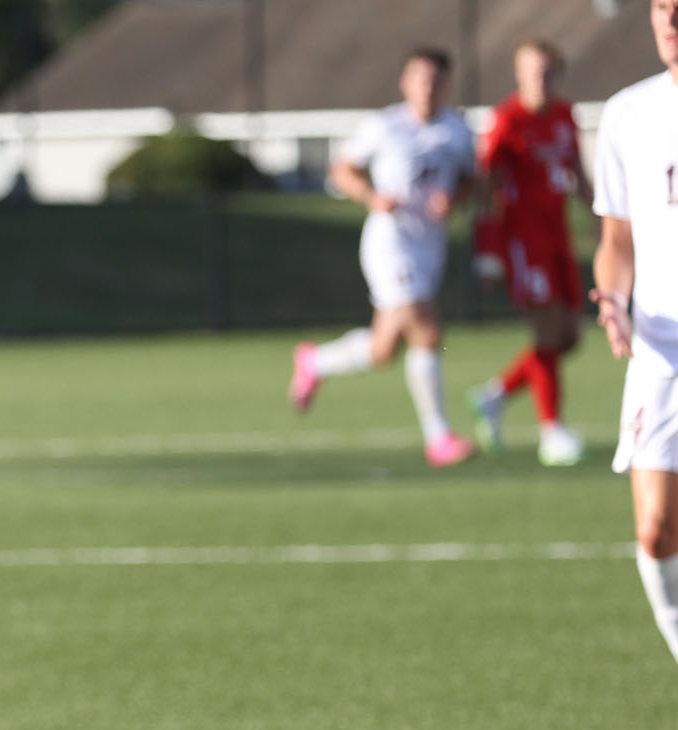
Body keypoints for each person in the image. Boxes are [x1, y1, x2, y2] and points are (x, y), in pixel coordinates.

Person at [290, 47, 479, 468]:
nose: (427, 87)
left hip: (430, 245)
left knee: (383, 351)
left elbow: (469, 179)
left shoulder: (457, 130)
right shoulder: (385, 126)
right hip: (390, 243)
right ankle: (439, 438)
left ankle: (314, 361)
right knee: (427, 330)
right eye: (419, 78)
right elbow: (341, 170)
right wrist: (372, 196)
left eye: (435, 80)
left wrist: (456, 200)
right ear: (405, 83)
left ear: (446, 85)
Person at [591, 0, 678, 664]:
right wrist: (614, 299)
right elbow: (616, 239)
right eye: (660, 6)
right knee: (653, 532)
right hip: (660, 346)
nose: (671, 18)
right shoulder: (627, 112)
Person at [469, 38, 594, 467]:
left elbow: (578, 172)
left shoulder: (564, 115)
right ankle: (551, 432)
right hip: (524, 240)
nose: (540, 80)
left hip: (558, 235)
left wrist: (602, 224)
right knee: (547, 330)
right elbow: (484, 186)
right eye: (531, 72)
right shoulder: (505, 120)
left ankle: (495, 396)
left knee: (570, 335)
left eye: (547, 72)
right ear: (518, 75)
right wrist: (486, 250)